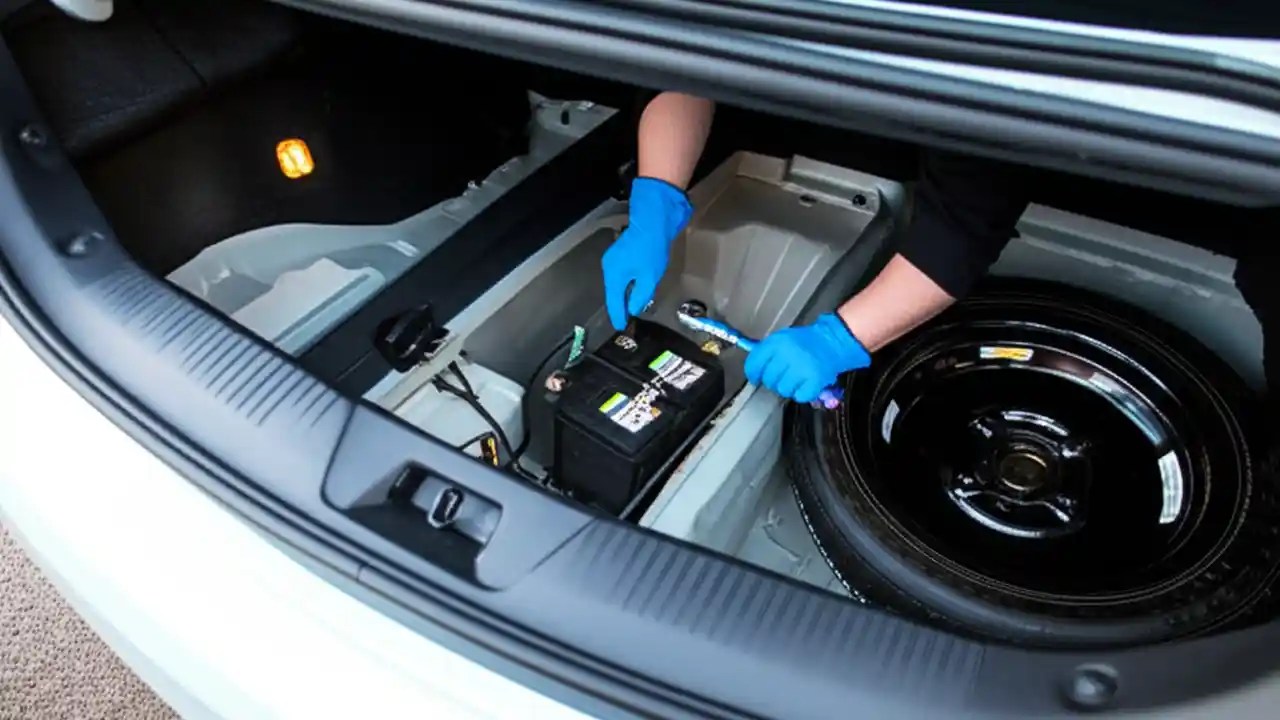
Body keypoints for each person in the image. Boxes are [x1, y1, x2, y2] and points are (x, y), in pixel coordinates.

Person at [602, 92, 1030, 403]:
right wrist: (657, 194)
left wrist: (839, 341)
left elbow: (963, 225)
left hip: (904, 152)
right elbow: (687, 54)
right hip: (763, 129)